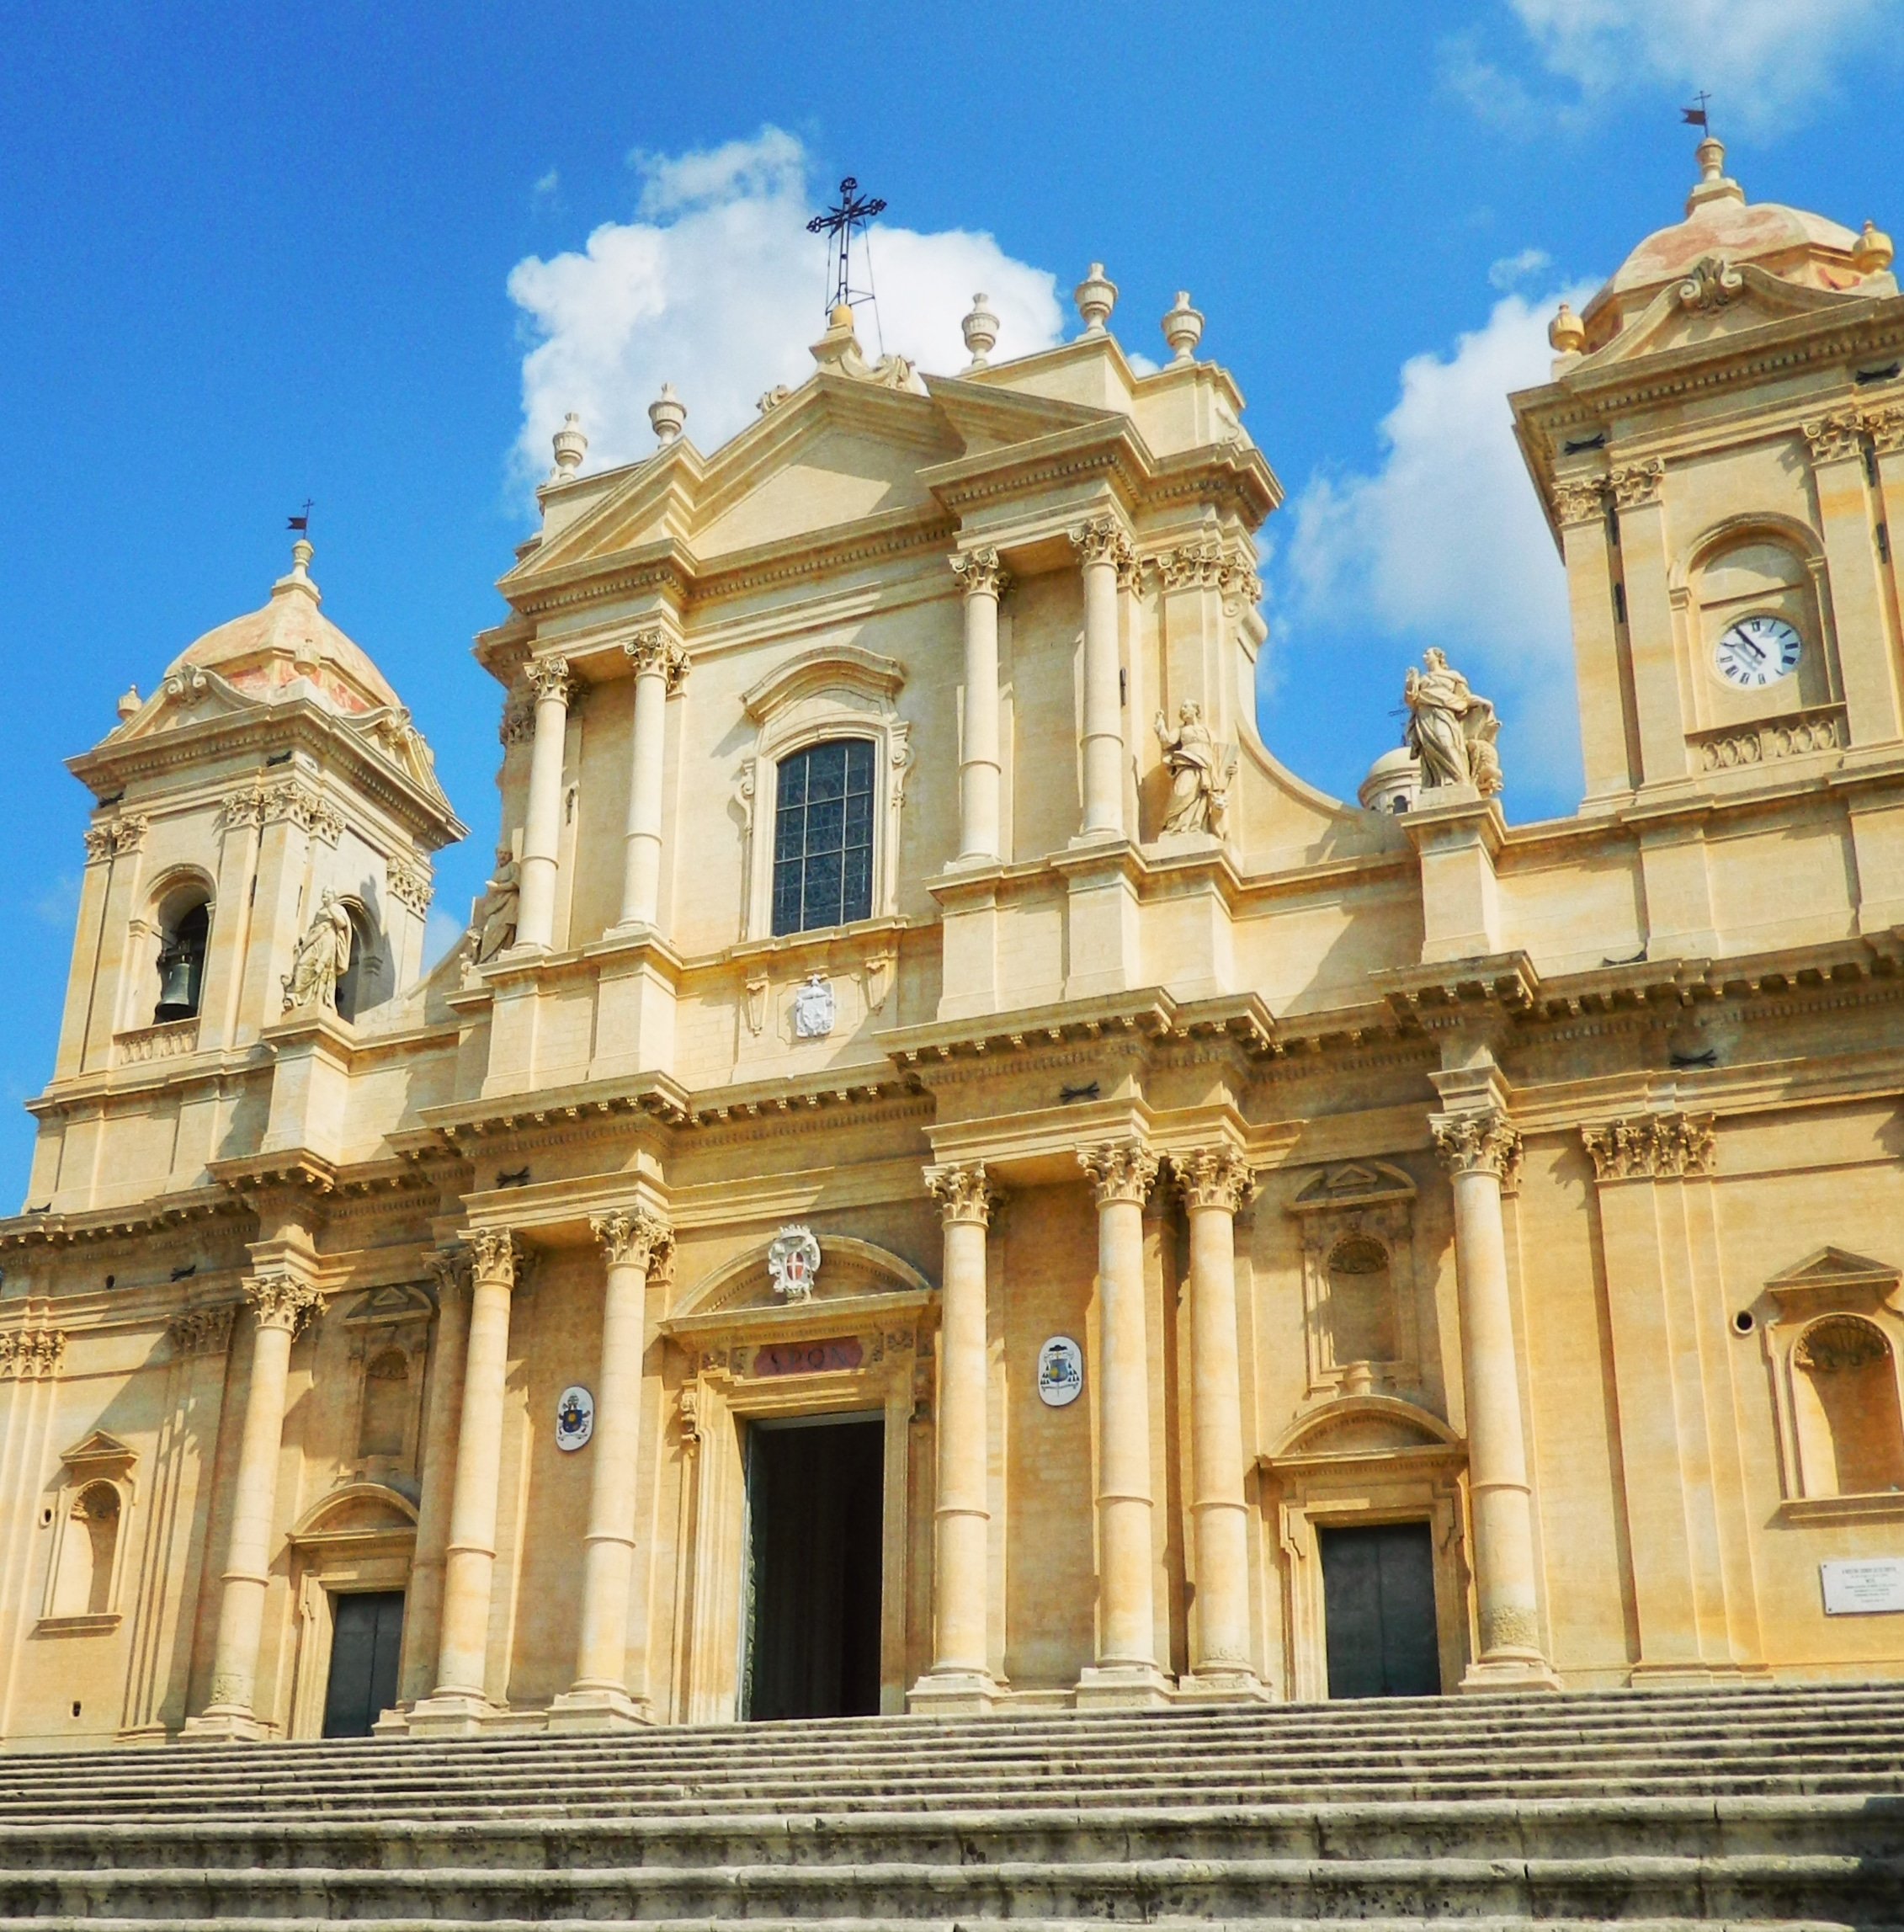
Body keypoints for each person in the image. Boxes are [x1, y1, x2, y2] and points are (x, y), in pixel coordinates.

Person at [1403, 648, 1502, 796]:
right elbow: (1412, 700)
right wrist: (1411, 683)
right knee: (1431, 749)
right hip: (1426, 716)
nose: (1424, 656)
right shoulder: (1423, 680)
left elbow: (1464, 698)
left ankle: (1458, 780)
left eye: (1428, 653)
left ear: (1438, 657)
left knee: (1448, 745)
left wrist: (1483, 702)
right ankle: (1438, 784)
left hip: (1446, 713)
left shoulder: (1453, 676)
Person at [1155, 700, 1228, 833]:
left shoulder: (1207, 731)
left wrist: (1228, 767)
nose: (1182, 709)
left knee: (1200, 797)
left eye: (1186, 706)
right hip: (1187, 764)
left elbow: (1219, 752)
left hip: (1206, 767)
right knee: (1181, 792)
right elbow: (1167, 742)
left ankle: (1195, 825)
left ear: (1196, 710)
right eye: (1182, 707)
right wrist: (1160, 724)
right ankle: (1174, 825)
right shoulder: (1181, 730)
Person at [282, 893, 353, 1012]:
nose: (325, 894)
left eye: (328, 893)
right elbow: (314, 926)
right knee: (301, 965)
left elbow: (342, 924)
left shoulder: (337, 908)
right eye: (324, 892)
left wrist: (330, 908)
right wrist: (307, 937)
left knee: (321, 968)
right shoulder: (320, 910)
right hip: (315, 939)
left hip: (328, 938)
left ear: (333, 896)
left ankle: (317, 999)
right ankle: (298, 996)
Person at [472, 846, 521, 964]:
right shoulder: (497, 870)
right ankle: (488, 960)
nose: (503, 856)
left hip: (509, 903)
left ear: (510, 856)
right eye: (500, 853)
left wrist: (497, 887)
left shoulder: (513, 867)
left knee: (505, 929)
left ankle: (499, 955)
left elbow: (515, 883)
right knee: (489, 930)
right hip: (497, 906)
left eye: (506, 853)